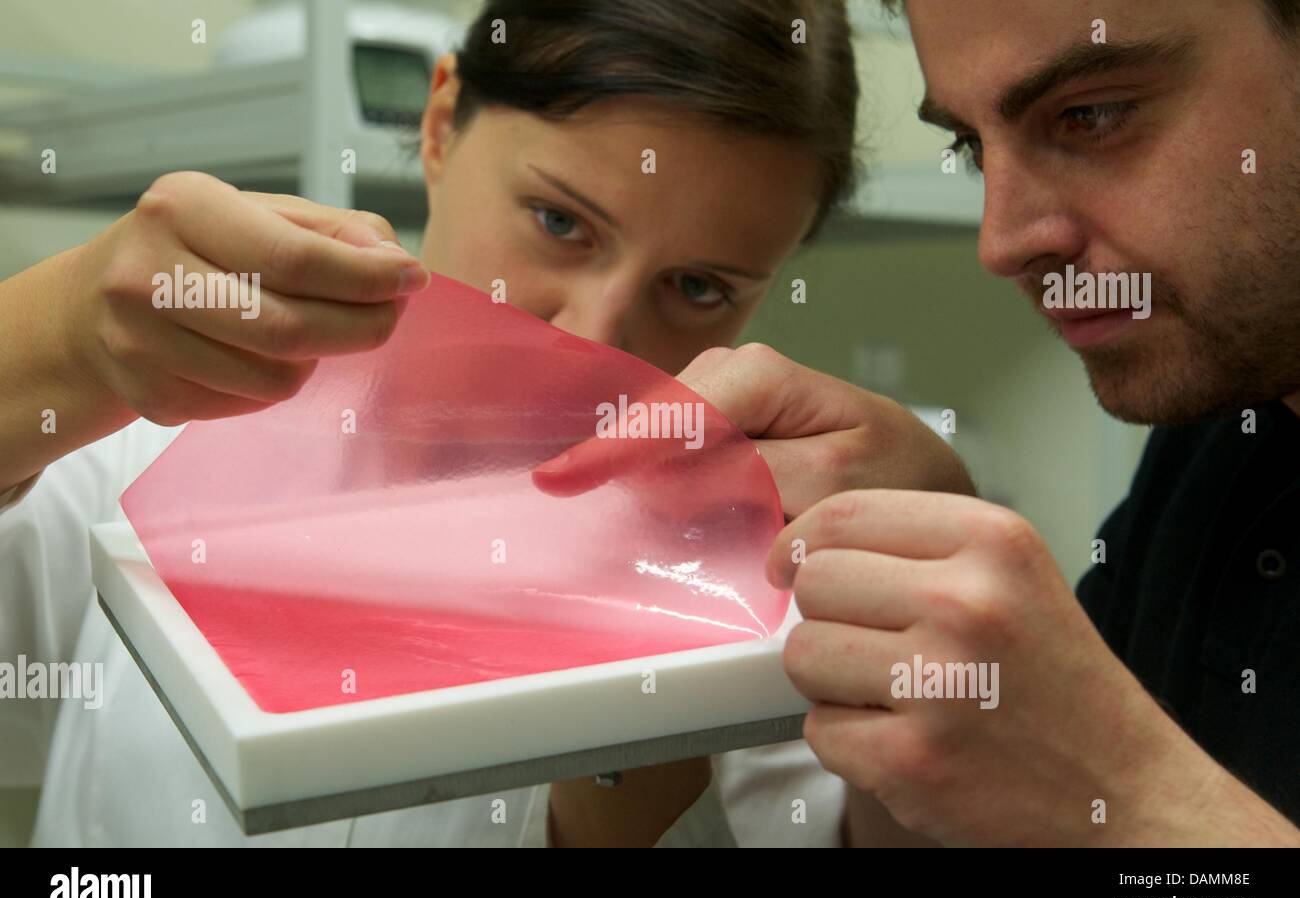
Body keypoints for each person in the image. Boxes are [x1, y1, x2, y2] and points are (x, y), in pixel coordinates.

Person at [0, 0, 973, 847]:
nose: (593, 331)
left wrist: (939, 572)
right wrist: (53, 339)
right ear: (437, 125)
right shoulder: (149, 444)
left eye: (697, 287)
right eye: (559, 222)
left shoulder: (759, 597)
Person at [771, 0, 1300, 846]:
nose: (1002, 240)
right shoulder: (1219, 436)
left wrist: (1129, 798)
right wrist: (929, 538)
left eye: (1092, 115)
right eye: (970, 147)